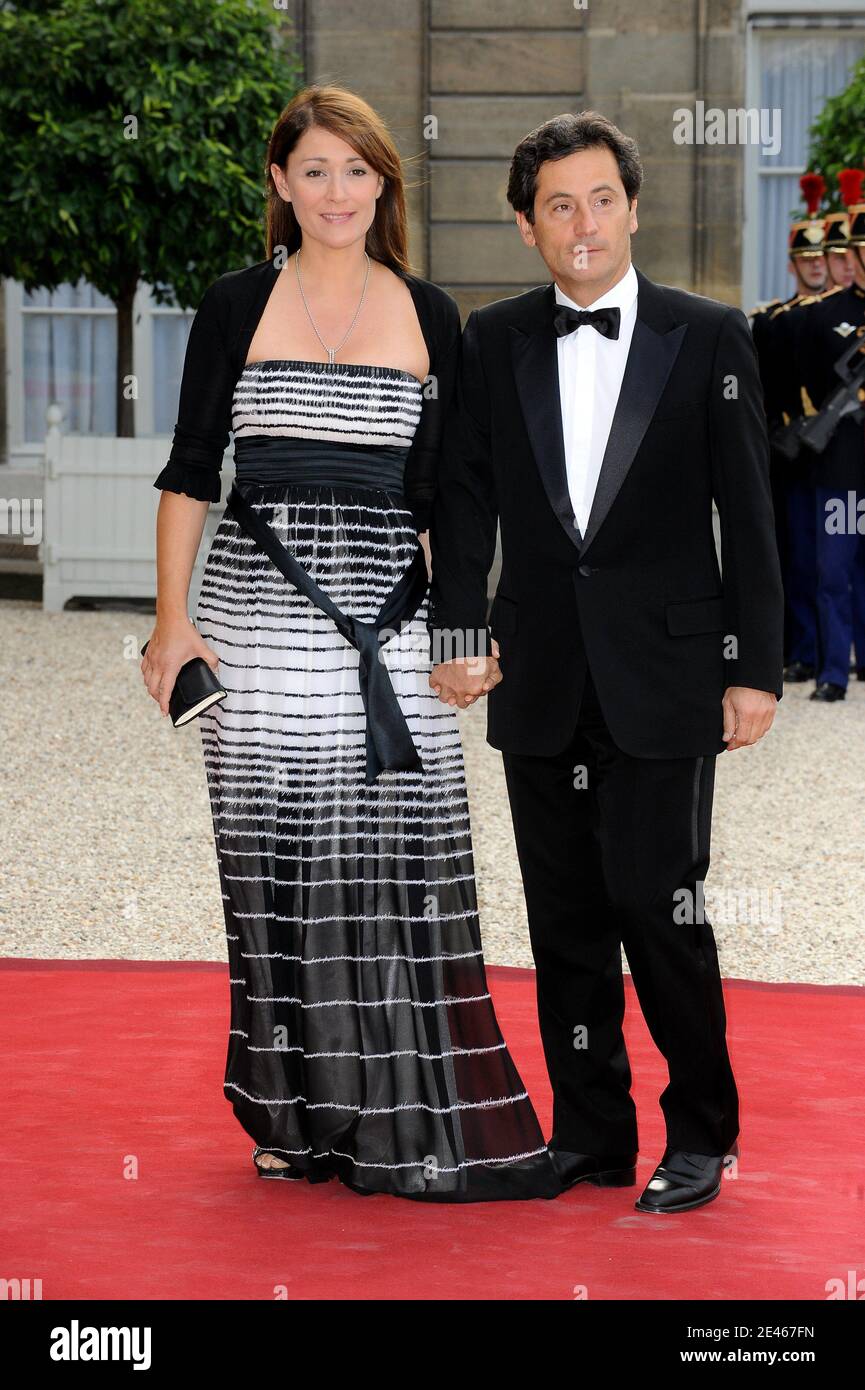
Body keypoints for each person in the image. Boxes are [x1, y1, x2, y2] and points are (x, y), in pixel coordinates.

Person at [141, 84, 562, 1203]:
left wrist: (463, 628)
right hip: (257, 628)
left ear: (385, 183)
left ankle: (396, 1115)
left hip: (391, 625)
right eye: (315, 170)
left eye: (358, 170)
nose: (338, 191)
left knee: (399, 869)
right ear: (280, 183)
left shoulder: (433, 314)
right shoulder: (233, 305)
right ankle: (291, 1113)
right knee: (271, 868)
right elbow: (192, 471)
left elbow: (450, 496)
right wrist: (169, 622)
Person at [427, 110, 784, 1214]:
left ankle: (702, 1133)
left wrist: (755, 667)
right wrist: (455, 630)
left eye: (599, 200)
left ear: (633, 208)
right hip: (539, 675)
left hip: (666, 678)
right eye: (556, 206)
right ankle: (586, 1134)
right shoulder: (492, 341)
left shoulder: (710, 334)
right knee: (565, 917)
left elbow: (750, 511)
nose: (581, 224)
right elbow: (465, 496)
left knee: (657, 903)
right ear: (526, 226)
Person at [790, 172, 865, 702]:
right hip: (843, 470)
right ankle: (834, 671)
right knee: (834, 571)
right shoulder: (825, 317)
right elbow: (808, 394)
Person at [749, 175, 826, 683]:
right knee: (785, 553)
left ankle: (825, 649)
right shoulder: (772, 320)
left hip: (833, 447)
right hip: (785, 447)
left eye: (824, 259)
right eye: (810, 260)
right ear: (793, 264)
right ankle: (791, 647)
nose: (818, 266)